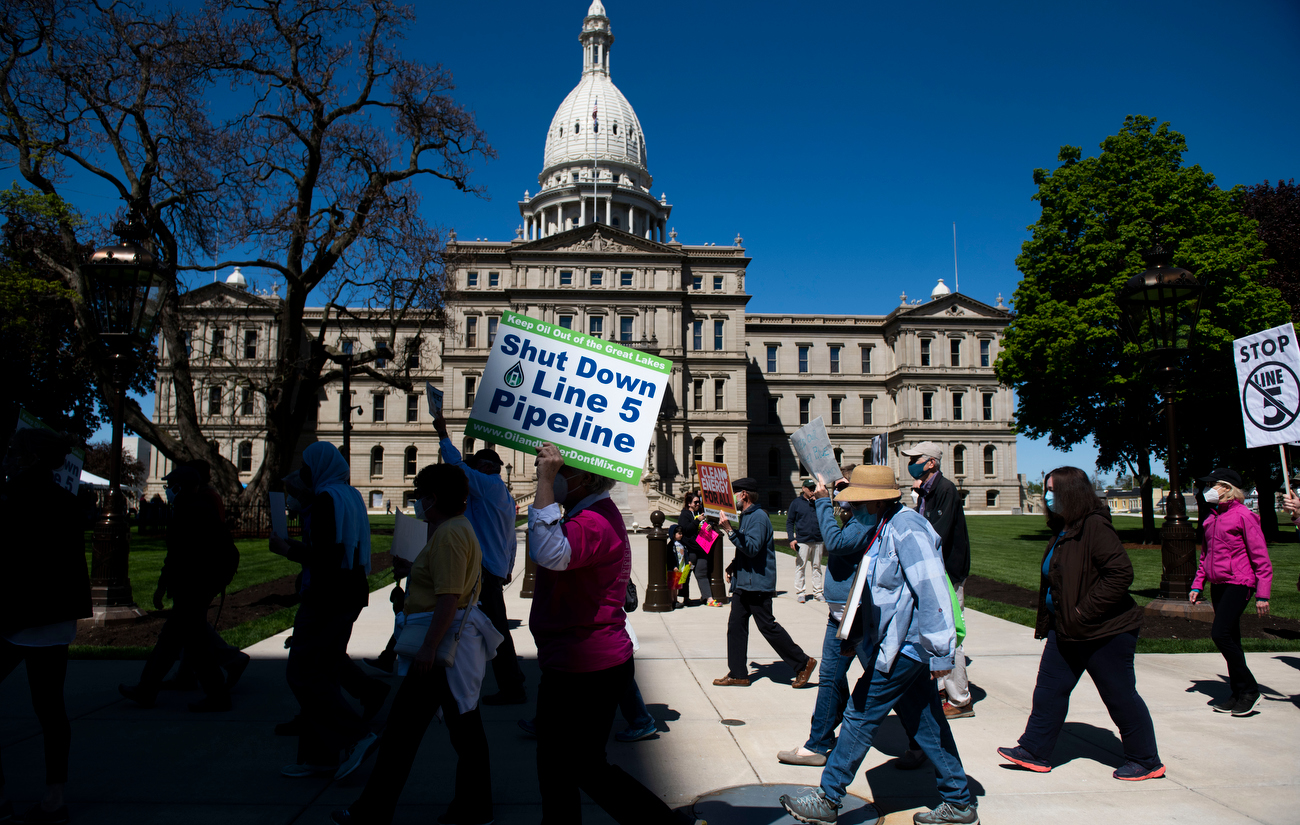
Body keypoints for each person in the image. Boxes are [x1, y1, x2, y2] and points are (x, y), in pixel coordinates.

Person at [778, 465, 978, 825]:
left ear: (876, 500)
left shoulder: (908, 530)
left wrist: (941, 652)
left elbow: (933, 592)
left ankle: (828, 798)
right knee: (926, 721)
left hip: (908, 645)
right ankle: (959, 801)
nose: (853, 506)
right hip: (895, 642)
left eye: (859, 500)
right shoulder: (884, 526)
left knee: (858, 714)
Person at [528, 442, 687, 825]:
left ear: (584, 478)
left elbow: (547, 551)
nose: (551, 475)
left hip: (585, 665)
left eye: (561, 470)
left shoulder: (595, 521)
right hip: (579, 659)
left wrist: (545, 480)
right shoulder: (591, 514)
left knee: (578, 767)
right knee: (563, 769)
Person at [332, 464, 499, 825]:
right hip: (443, 651)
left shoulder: (451, 535)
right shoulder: (452, 530)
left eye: (419, 492)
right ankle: (474, 806)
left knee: (404, 737)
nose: (417, 500)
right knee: (460, 731)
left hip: (438, 653)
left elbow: (449, 597)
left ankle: (372, 812)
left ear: (433, 497)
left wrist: (427, 648)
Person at [996, 466, 1164, 781]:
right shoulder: (1065, 527)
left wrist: (1083, 611)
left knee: (1119, 695)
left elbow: (1121, 575)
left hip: (1105, 631)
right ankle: (1034, 750)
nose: (1046, 496)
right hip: (1067, 630)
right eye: (1045, 489)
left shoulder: (1095, 527)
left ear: (1070, 494)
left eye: (1052, 490)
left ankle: (1146, 760)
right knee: (1049, 690)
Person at [0, 428, 91, 825]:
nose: (9, 456)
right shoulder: (66, 499)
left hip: (20, 615)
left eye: (14, 451)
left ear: (29, 457)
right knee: (51, 708)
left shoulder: (14, 496)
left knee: (49, 708)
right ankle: (55, 797)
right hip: (55, 617)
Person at [273, 442, 380, 778]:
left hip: (327, 596)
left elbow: (327, 557)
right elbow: (341, 549)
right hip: (349, 593)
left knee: (304, 672)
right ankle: (320, 755)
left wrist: (288, 550)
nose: (303, 473)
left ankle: (356, 734)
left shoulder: (325, 501)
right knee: (326, 671)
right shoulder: (349, 496)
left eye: (307, 466)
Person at [119, 464, 234, 712]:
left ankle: (216, 694)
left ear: (180, 487)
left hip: (192, 587)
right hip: (194, 587)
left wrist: (164, 587)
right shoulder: (198, 509)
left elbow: (177, 555)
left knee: (192, 645)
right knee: (173, 642)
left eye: (171, 486)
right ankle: (147, 689)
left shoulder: (190, 512)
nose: (169, 491)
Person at [434, 410, 526, 706]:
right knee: (487, 627)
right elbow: (510, 538)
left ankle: (512, 686)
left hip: (483, 572)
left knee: (491, 630)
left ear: (485, 467)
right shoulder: (505, 495)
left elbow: (457, 467)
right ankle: (512, 683)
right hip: (493, 570)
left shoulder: (486, 487)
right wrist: (509, 566)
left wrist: (442, 433)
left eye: (476, 467)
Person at [777, 467, 865, 767]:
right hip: (840, 615)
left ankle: (925, 747)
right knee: (830, 676)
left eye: (844, 487)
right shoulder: (854, 517)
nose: (838, 491)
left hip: (862, 618)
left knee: (892, 687)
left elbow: (837, 544)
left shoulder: (865, 521)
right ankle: (819, 742)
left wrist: (826, 502)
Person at [713, 477, 817, 688]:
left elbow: (752, 548)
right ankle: (738, 673)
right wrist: (734, 564)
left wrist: (729, 530)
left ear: (744, 495)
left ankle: (803, 663)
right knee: (736, 626)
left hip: (758, 584)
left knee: (768, 627)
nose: (732, 498)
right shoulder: (747, 516)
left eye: (735, 493)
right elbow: (747, 548)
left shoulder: (759, 517)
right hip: (745, 583)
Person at [1189, 467, 1273, 716]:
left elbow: (1261, 557)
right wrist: (1197, 584)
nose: (1207, 489)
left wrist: (1263, 594)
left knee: (1221, 634)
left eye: (1212, 484)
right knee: (1231, 638)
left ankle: (1250, 689)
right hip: (1218, 584)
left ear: (1226, 488)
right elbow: (1205, 556)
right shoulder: (1210, 518)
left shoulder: (1244, 516)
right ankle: (1238, 693)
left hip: (1240, 582)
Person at [902, 442, 972, 721]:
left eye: (916, 459)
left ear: (931, 462)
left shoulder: (945, 490)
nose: (911, 463)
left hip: (946, 573)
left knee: (949, 634)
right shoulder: (927, 491)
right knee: (934, 633)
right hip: (933, 572)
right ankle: (945, 688)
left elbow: (934, 534)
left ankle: (961, 699)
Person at [677, 492, 718, 607]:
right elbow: (685, 530)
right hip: (690, 549)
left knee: (702, 573)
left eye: (699, 501)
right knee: (687, 573)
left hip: (701, 547)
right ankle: (685, 598)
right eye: (695, 502)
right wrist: (697, 521)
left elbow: (709, 521)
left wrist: (710, 525)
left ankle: (708, 598)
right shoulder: (684, 515)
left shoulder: (699, 512)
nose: (698, 504)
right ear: (689, 504)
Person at [787, 479, 825, 604]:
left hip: (818, 539)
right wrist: (791, 538)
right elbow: (790, 521)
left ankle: (818, 592)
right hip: (803, 540)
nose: (812, 490)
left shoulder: (818, 502)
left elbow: (825, 517)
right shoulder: (796, 503)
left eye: (813, 488)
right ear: (803, 488)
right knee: (800, 566)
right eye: (809, 488)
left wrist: (818, 503)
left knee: (817, 567)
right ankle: (800, 592)